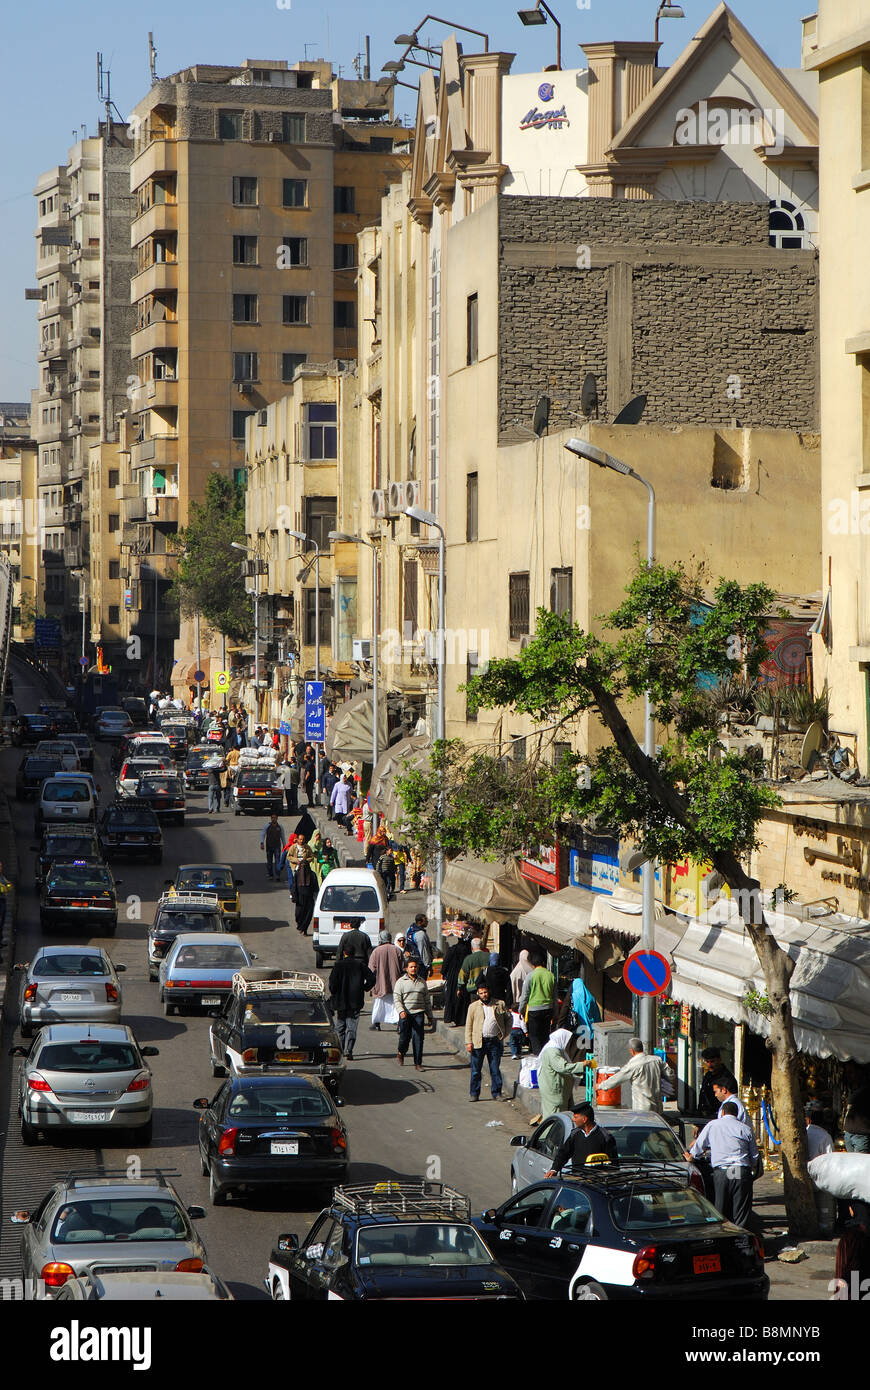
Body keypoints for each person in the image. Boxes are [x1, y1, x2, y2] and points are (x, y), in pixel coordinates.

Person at [687, 1100, 759, 1228]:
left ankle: (723, 1236)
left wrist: (692, 1156)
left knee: (720, 1209)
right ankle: (741, 1238)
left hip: (722, 1172)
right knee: (741, 1211)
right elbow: (754, 1155)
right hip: (740, 1171)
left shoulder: (713, 1125)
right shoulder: (745, 1128)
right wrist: (752, 1166)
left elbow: (699, 1145)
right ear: (736, 1114)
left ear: (723, 1112)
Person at [465, 982, 511, 1102]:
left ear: (489, 991)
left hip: (494, 1041)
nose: (484, 995)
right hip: (478, 1042)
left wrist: (505, 1033)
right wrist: (468, 1042)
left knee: (495, 1069)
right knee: (476, 1071)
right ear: (478, 994)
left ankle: (497, 1093)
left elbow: (509, 1018)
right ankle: (474, 1093)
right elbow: (468, 1025)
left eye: (485, 992)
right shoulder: (473, 1007)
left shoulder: (499, 1004)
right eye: (481, 993)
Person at [328, 943, 375, 1061]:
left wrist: (335, 992)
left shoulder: (338, 965)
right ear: (354, 953)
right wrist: (365, 988)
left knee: (340, 1026)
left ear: (344, 953)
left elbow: (332, 984)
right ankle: (349, 1050)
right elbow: (371, 978)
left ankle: (340, 1049)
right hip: (355, 1002)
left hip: (341, 1002)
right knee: (352, 1027)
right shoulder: (360, 965)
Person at [545, 1101, 619, 1176]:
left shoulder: (605, 1137)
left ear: (584, 1119)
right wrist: (554, 1169)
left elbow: (613, 1164)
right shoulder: (575, 1134)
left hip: (596, 1182)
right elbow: (563, 1154)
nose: (573, 1120)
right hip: (577, 1180)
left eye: (576, 1117)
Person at [600, 1037, 668, 1115]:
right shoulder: (657, 1060)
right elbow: (670, 1075)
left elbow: (617, 1079)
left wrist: (601, 1085)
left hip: (642, 1109)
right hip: (658, 1108)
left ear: (631, 1051)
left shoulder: (633, 1065)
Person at [537, 1028, 589, 1120]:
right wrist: (582, 1065)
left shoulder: (557, 1049)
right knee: (555, 1120)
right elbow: (563, 1067)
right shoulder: (552, 1052)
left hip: (561, 1092)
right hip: (555, 1094)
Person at [394, 958, 434, 1071]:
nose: (413, 969)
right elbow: (397, 999)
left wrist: (430, 1016)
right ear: (406, 968)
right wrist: (401, 1011)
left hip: (419, 1013)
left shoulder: (422, 982)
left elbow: (427, 1000)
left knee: (418, 1039)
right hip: (405, 1014)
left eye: (415, 967)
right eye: (411, 967)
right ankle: (401, 1052)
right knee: (404, 1038)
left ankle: (418, 1063)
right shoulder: (400, 982)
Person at [518, 949, 556, 1056]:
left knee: (534, 1036)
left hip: (534, 1010)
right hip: (548, 1010)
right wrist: (555, 1013)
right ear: (543, 963)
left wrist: (521, 1010)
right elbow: (555, 996)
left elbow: (524, 996)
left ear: (533, 964)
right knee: (545, 1035)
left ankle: (538, 1056)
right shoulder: (551, 975)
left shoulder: (531, 975)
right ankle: (545, 1057)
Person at [369, 930, 403, 1030]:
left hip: (380, 984)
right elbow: (403, 967)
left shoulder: (376, 951)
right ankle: (398, 1024)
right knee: (396, 1004)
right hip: (395, 983)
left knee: (379, 1004)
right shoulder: (397, 950)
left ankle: (377, 1024)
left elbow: (371, 969)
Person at [441, 928, 473, 1026]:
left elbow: (446, 962)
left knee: (452, 996)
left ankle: (452, 1017)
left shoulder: (452, 949)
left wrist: (443, 973)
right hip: (465, 976)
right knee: (463, 997)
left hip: (453, 977)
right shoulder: (468, 951)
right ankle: (462, 1018)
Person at [698, 1047, 739, 1117]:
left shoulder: (727, 1078)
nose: (710, 1065)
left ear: (719, 1060)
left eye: (712, 1061)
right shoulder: (708, 1076)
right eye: (707, 1062)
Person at [843, 1063, 870, 1153]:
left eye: (851, 1072)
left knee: (858, 1164)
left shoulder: (865, 1089)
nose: (848, 1076)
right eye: (847, 1073)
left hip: (860, 1135)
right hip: (849, 1133)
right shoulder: (854, 1089)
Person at [458, 938, 490, 1010]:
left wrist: (459, 987)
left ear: (472, 948)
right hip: (487, 989)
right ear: (481, 946)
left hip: (473, 989)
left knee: (476, 1010)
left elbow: (462, 975)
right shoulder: (489, 956)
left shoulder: (468, 959)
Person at [290, 852, 317, 935]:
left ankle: (304, 929)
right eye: (302, 866)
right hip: (300, 898)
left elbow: (315, 887)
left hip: (309, 898)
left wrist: (316, 897)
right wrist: (294, 896)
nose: (303, 868)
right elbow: (294, 886)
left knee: (308, 915)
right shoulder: (297, 874)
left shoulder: (312, 875)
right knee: (299, 914)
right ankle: (300, 925)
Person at [407, 913, 434, 981]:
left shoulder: (410, 930)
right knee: (420, 984)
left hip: (411, 961)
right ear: (419, 922)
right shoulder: (420, 934)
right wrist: (428, 966)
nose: (427, 921)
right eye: (425, 920)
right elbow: (423, 952)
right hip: (420, 965)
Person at [0, 859, 10, 941]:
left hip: (3, 900)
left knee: (3, 919)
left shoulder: (2, 876)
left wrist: (7, 886)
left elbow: (7, 884)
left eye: (1, 866)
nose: (0, 868)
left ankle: (1, 938)